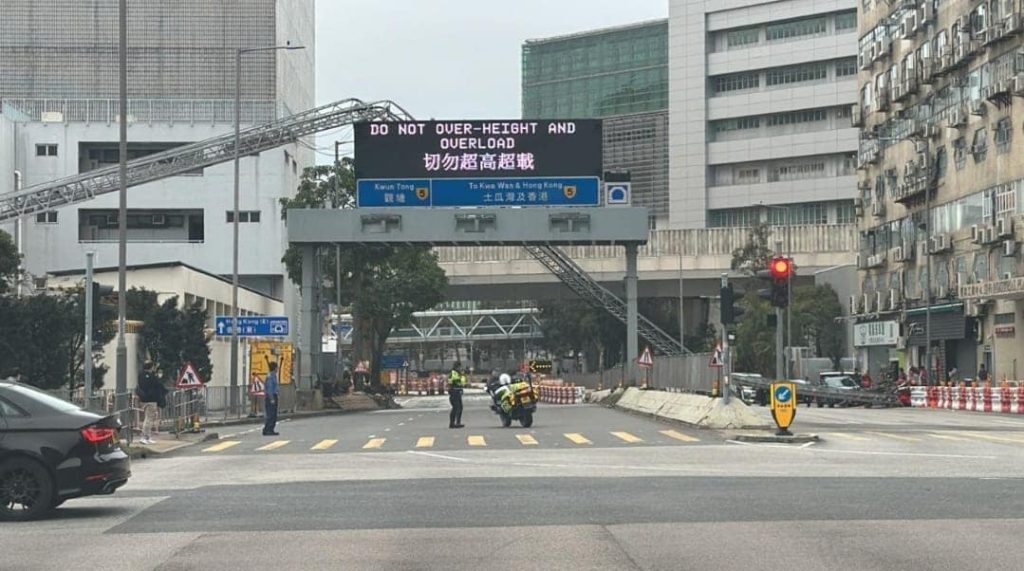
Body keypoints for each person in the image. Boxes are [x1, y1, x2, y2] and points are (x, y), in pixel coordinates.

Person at [136, 361, 166, 445]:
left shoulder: (140, 375)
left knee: (148, 418)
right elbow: (157, 385)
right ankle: (144, 437)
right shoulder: (152, 377)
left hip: (143, 399)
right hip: (151, 400)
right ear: (151, 367)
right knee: (149, 419)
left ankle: (148, 437)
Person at [263, 362, 280, 436]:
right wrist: (272, 398)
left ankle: (270, 429)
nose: (278, 369)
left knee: (273, 414)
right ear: (275, 368)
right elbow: (270, 388)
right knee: (271, 414)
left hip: (274, 395)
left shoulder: (273, 375)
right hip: (271, 396)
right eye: (277, 367)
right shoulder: (270, 376)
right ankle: (268, 430)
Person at [448, 361, 466, 429]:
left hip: (456, 391)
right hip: (454, 391)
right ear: (457, 367)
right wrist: (462, 375)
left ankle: (457, 422)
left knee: (459, 407)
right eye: (460, 367)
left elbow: (462, 383)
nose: (461, 368)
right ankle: (453, 423)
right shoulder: (454, 373)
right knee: (456, 407)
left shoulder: (456, 373)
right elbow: (460, 382)